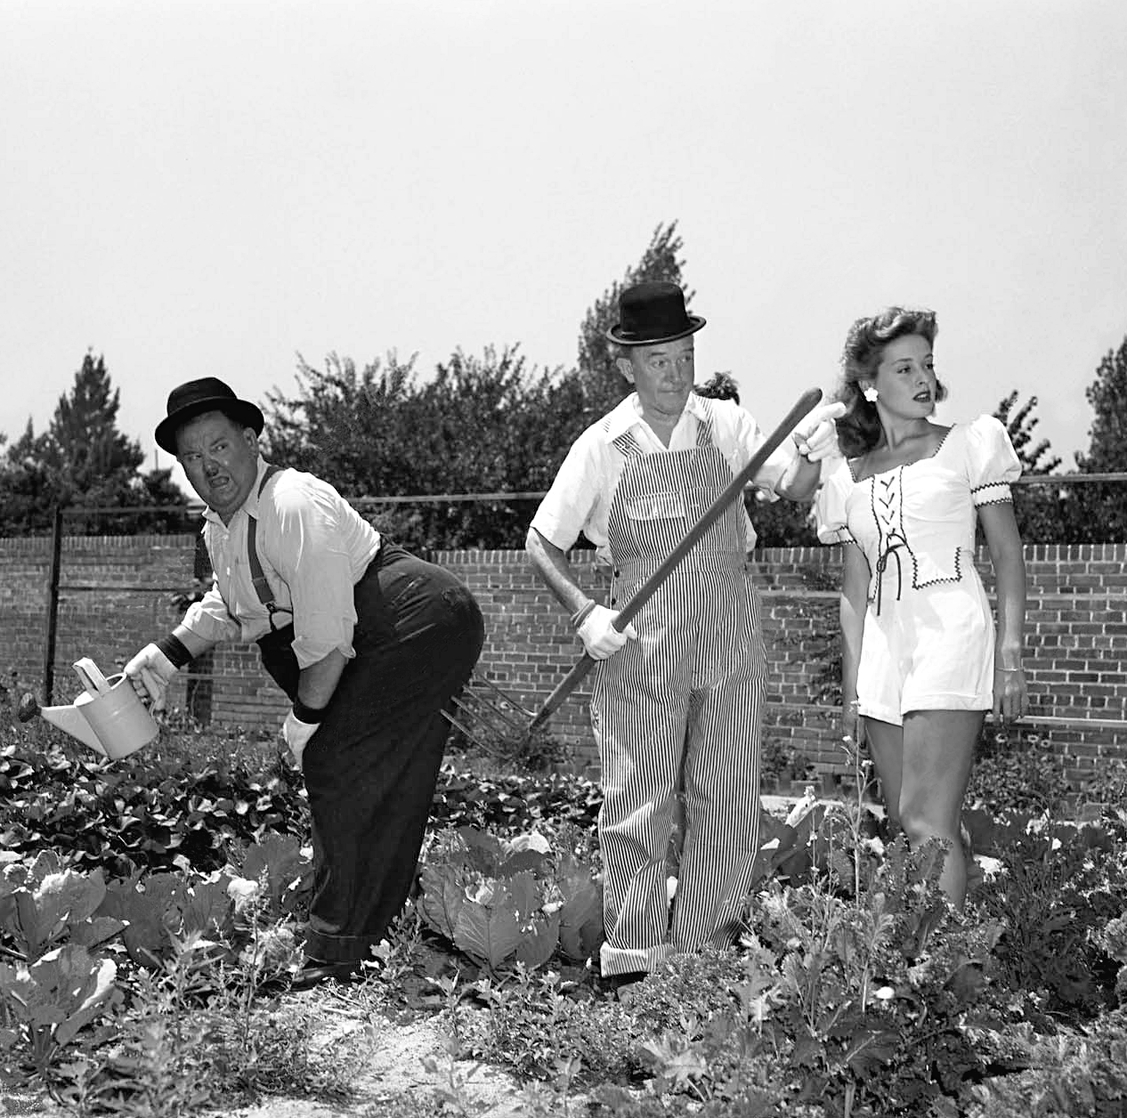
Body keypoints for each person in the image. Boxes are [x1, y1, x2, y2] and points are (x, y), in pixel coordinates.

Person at [526, 281, 843, 987]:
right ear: (626, 364)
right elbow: (541, 542)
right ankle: (634, 959)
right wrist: (585, 613)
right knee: (637, 799)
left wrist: (819, 450)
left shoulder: (727, 426)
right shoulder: (602, 446)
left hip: (727, 635)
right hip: (638, 645)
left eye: (686, 356)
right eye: (660, 360)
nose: (677, 373)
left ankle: (705, 958)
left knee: (726, 797)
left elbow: (793, 486)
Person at [123, 377, 484, 988]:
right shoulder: (222, 527)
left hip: (414, 620)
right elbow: (232, 601)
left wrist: (306, 722)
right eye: (191, 458)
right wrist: (163, 656)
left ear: (250, 438)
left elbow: (326, 637)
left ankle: (339, 945)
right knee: (387, 777)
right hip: (383, 634)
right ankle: (373, 935)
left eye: (218, 446)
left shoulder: (293, 503)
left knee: (337, 758)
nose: (208, 467)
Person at [814, 307, 1030, 907]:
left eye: (927, 365)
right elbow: (854, 592)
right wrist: (854, 690)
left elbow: (1008, 555)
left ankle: (945, 978)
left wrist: (1010, 655)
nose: (922, 378)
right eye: (904, 367)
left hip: (952, 635)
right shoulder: (849, 476)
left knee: (925, 819)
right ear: (869, 384)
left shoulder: (969, 444)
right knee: (911, 825)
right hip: (885, 651)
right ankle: (941, 955)